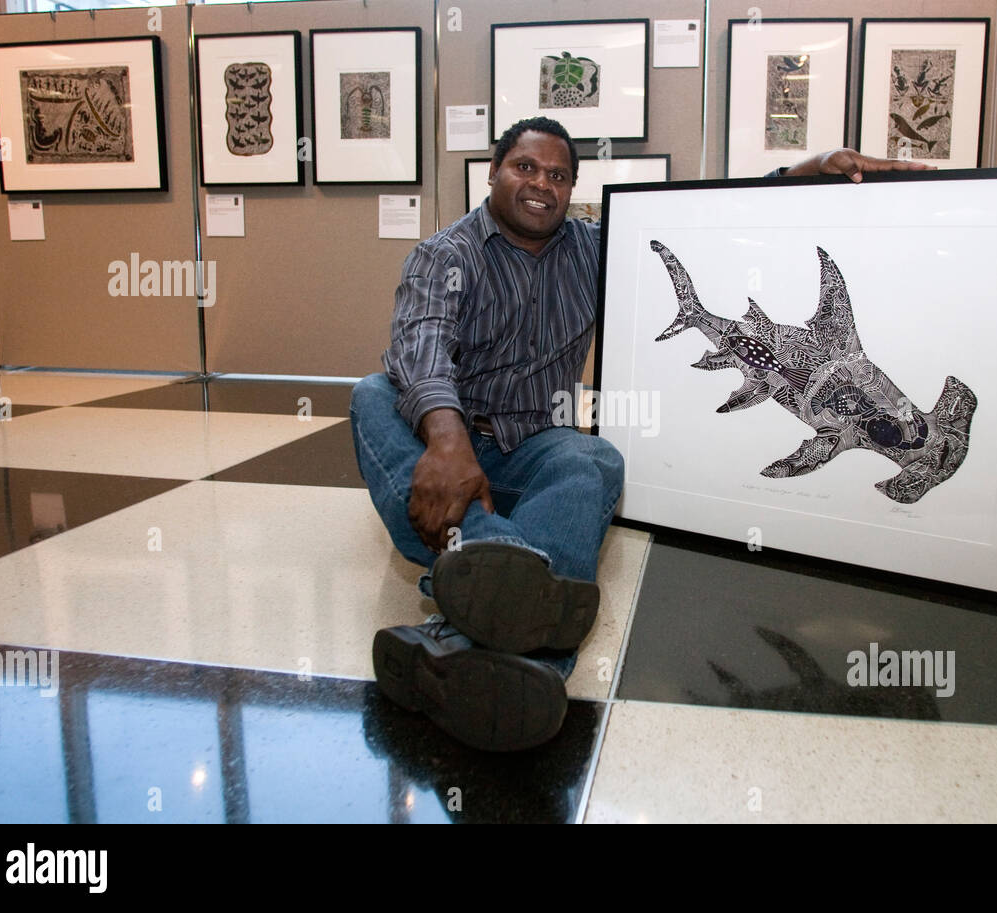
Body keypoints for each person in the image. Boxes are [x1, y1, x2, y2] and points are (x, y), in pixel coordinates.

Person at [350, 116, 926, 751]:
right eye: (525, 167)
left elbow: (698, 225)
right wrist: (448, 441)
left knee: (591, 458)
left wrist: (800, 173)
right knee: (372, 396)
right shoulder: (446, 255)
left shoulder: (593, 249)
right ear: (493, 171)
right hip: (451, 441)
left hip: (532, 445)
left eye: (558, 175)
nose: (542, 183)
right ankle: (514, 605)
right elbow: (420, 349)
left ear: (572, 187)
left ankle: (469, 614)